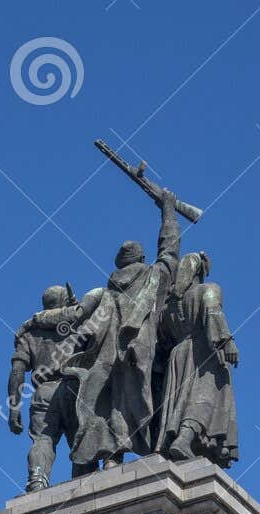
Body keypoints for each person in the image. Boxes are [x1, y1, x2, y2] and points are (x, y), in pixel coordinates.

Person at [63, 191, 182, 471]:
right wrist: (168, 210)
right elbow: (170, 250)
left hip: (106, 359)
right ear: (141, 258)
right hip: (143, 353)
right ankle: (155, 448)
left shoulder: (107, 293)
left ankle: (112, 456)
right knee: (148, 397)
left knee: (114, 402)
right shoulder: (154, 276)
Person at [8, 284, 103, 491]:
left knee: (42, 440)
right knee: (81, 439)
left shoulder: (29, 333)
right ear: (64, 302)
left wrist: (13, 407)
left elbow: (17, 371)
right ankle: (85, 486)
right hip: (76, 387)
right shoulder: (78, 322)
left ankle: (37, 481)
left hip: (44, 392)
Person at [154, 250, 239, 466]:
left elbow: (161, 338)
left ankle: (174, 440)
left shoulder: (167, 307)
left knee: (181, 397)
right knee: (205, 396)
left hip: (178, 355)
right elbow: (212, 312)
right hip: (204, 351)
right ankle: (184, 438)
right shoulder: (208, 290)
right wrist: (226, 341)